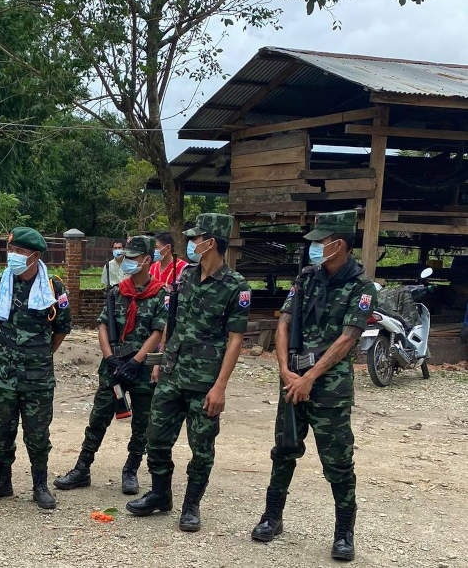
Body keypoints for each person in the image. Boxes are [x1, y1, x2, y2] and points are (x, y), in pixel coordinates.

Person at [250, 210, 376, 562]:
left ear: (341, 245)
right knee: (284, 450)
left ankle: (344, 533)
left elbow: (348, 338)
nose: (317, 248)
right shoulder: (306, 278)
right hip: (292, 379)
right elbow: (283, 323)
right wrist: (285, 370)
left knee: (337, 461)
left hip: (329, 386)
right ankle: (272, 518)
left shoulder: (362, 288)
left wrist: (310, 377)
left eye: (323, 242)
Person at [127, 213, 249, 533]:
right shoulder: (184, 277)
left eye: (197, 239)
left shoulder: (236, 286)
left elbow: (236, 339)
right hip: (172, 373)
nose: (192, 244)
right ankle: (160, 494)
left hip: (205, 380)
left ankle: (191, 505)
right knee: (156, 438)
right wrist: (160, 362)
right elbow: (172, 320)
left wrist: (220, 386)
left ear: (212, 242)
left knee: (202, 448)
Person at [54, 235, 165, 495]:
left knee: (141, 423)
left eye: (133, 257)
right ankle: (82, 468)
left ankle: (131, 470)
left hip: (142, 368)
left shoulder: (161, 294)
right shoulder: (117, 292)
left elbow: (159, 331)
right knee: (99, 417)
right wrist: (109, 357)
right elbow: (103, 325)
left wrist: (137, 362)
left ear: (147, 260)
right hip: (114, 367)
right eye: (126, 256)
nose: (127, 261)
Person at [0, 227, 72, 510]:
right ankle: (1, 481)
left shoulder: (53, 288)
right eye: (11, 250)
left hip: (38, 376)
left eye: (19, 252)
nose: (13, 256)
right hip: (3, 373)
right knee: (1, 430)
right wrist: (3, 353)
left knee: (38, 433)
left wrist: (40, 353)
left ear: (35, 256)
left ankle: (40, 485)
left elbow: (61, 328)